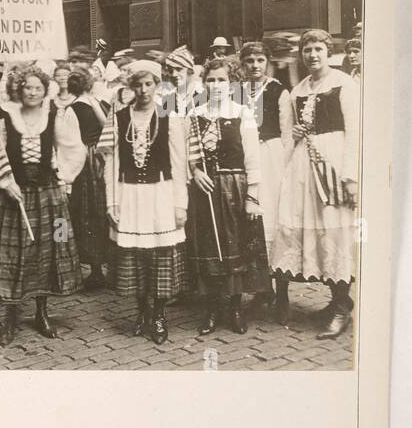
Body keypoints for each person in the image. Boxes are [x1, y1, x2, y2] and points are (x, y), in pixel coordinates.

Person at [0, 64, 85, 343]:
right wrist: (3, 182)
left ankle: (42, 312)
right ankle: (10, 317)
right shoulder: (4, 115)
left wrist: (63, 176)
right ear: (19, 88)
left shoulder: (54, 114)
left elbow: (74, 147)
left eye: (38, 87)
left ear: (45, 90)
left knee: (51, 249)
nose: (33, 92)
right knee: (12, 254)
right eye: (28, 87)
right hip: (13, 195)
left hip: (50, 196)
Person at [271, 29, 360, 339]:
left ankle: (340, 308)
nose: (312, 55)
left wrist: (351, 177)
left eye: (318, 49)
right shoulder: (297, 91)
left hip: (333, 165)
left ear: (328, 51)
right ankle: (332, 300)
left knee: (334, 229)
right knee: (299, 226)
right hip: (302, 168)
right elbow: (288, 134)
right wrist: (295, 135)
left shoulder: (344, 84)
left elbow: (355, 133)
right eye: (307, 50)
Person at [105, 60, 190, 343]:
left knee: (160, 257)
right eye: (138, 84)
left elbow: (179, 163)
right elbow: (111, 163)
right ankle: (142, 312)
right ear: (131, 87)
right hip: (129, 194)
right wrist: (111, 202)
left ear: (157, 85)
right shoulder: (118, 117)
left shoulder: (169, 115)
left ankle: (160, 315)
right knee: (136, 257)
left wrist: (181, 204)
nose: (143, 90)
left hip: (161, 194)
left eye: (149, 84)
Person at [185, 57, 269, 335]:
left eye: (221, 80)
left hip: (234, 188)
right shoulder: (194, 115)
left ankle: (234, 307)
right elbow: (188, 156)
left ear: (232, 83)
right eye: (211, 80)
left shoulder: (242, 113)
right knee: (209, 247)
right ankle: (211, 308)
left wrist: (252, 196)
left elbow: (253, 159)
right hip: (206, 190)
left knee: (234, 247)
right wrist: (195, 172)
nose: (216, 85)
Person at [237, 41, 291, 317]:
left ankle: (282, 294)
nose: (255, 66)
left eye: (260, 60)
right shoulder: (236, 92)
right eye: (249, 61)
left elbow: (286, 133)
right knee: (252, 226)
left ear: (267, 62)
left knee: (273, 223)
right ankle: (262, 290)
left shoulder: (278, 91)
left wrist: (286, 168)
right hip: (246, 160)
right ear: (242, 65)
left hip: (271, 158)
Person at [57, 64, 112, 289]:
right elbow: (109, 126)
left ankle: (95, 268)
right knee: (102, 211)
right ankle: (105, 266)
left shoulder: (72, 109)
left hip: (84, 161)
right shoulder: (100, 102)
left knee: (87, 213)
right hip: (102, 158)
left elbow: (68, 142)